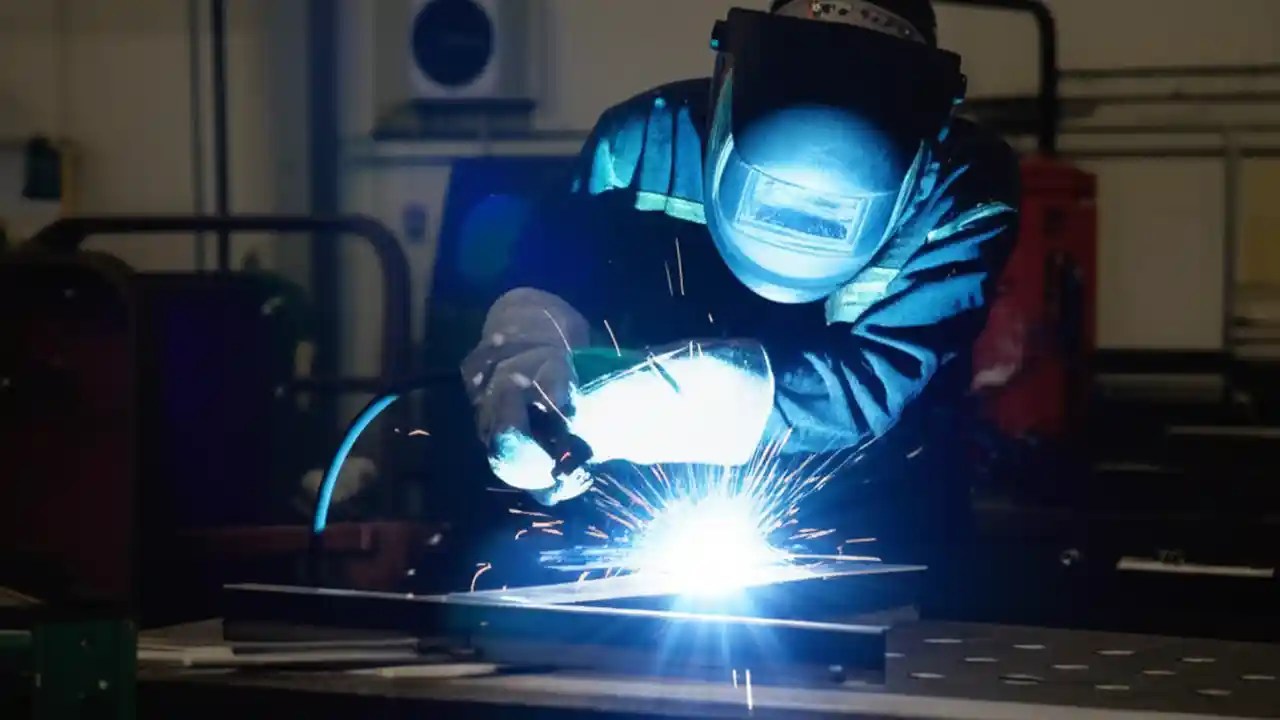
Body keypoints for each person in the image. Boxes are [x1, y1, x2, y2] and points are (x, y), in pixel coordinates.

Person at [462, 0, 1020, 548]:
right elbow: (546, 281)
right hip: (639, 518)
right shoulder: (645, 142)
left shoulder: (960, 194)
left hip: (871, 523)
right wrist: (524, 372)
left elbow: (865, 383)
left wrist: (613, 407)